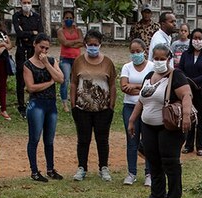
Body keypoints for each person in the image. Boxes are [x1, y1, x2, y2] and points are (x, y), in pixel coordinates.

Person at [128, 42, 193, 198]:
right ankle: (157, 193)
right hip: (148, 125)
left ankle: (173, 197)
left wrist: (186, 116)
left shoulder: (176, 76)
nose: (158, 61)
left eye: (162, 58)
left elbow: (186, 95)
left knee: (170, 161)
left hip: (168, 126)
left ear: (169, 59)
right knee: (153, 159)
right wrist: (132, 120)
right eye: (155, 58)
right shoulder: (149, 76)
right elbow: (141, 101)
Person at [70, 29, 117, 181]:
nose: (93, 47)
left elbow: (112, 85)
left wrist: (111, 106)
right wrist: (73, 105)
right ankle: (82, 168)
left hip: (103, 109)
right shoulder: (78, 61)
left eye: (95, 44)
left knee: (102, 139)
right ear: (85, 44)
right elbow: (73, 83)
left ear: (100, 44)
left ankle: (104, 168)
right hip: (82, 108)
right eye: (90, 44)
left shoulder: (108, 63)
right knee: (83, 139)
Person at [24, 34, 64, 182]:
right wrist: (49, 83)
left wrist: (47, 64)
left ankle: (50, 168)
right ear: (35, 45)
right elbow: (31, 87)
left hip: (50, 104)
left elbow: (61, 79)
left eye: (47, 48)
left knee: (49, 139)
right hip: (37, 105)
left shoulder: (51, 61)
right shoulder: (28, 65)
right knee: (34, 138)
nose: (44, 50)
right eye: (41, 47)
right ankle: (34, 171)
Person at [120, 38, 152, 186]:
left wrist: (134, 87)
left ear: (144, 51)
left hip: (147, 108)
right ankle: (131, 172)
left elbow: (151, 88)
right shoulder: (126, 67)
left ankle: (149, 173)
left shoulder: (151, 67)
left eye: (138, 51)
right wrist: (141, 88)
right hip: (129, 107)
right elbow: (123, 87)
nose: (135, 54)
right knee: (131, 140)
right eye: (132, 52)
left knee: (148, 140)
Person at [179, 28, 202, 156]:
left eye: (200, 38)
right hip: (188, 92)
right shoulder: (186, 54)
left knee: (200, 119)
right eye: (195, 38)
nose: (197, 41)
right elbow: (181, 69)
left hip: (201, 91)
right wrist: (187, 81)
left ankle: (200, 146)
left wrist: (194, 81)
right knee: (189, 117)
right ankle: (188, 145)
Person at [12, 1, 43, 116]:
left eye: (28, 2)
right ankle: (21, 106)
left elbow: (39, 33)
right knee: (20, 77)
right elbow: (19, 33)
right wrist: (31, 33)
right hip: (21, 50)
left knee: (34, 75)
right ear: (21, 3)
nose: (26, 4)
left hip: (33, 50)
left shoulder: (37, 17)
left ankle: (33, 102)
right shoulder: (16, 16)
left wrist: (27, 34)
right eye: (24, 2)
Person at [56, 8, 82, 112]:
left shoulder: (78, 30)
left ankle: (74, 101)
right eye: (67, 18)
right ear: (63, 19)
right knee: (65, 80)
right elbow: (64, 43)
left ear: (74, 19)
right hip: (65, 59)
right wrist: (75, 42)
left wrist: (70, 42)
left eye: (70, 18)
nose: (69, 19)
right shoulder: (60, 31)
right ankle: (65, 103)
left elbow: (82, 42)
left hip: (77, 58)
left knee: (75, 81)